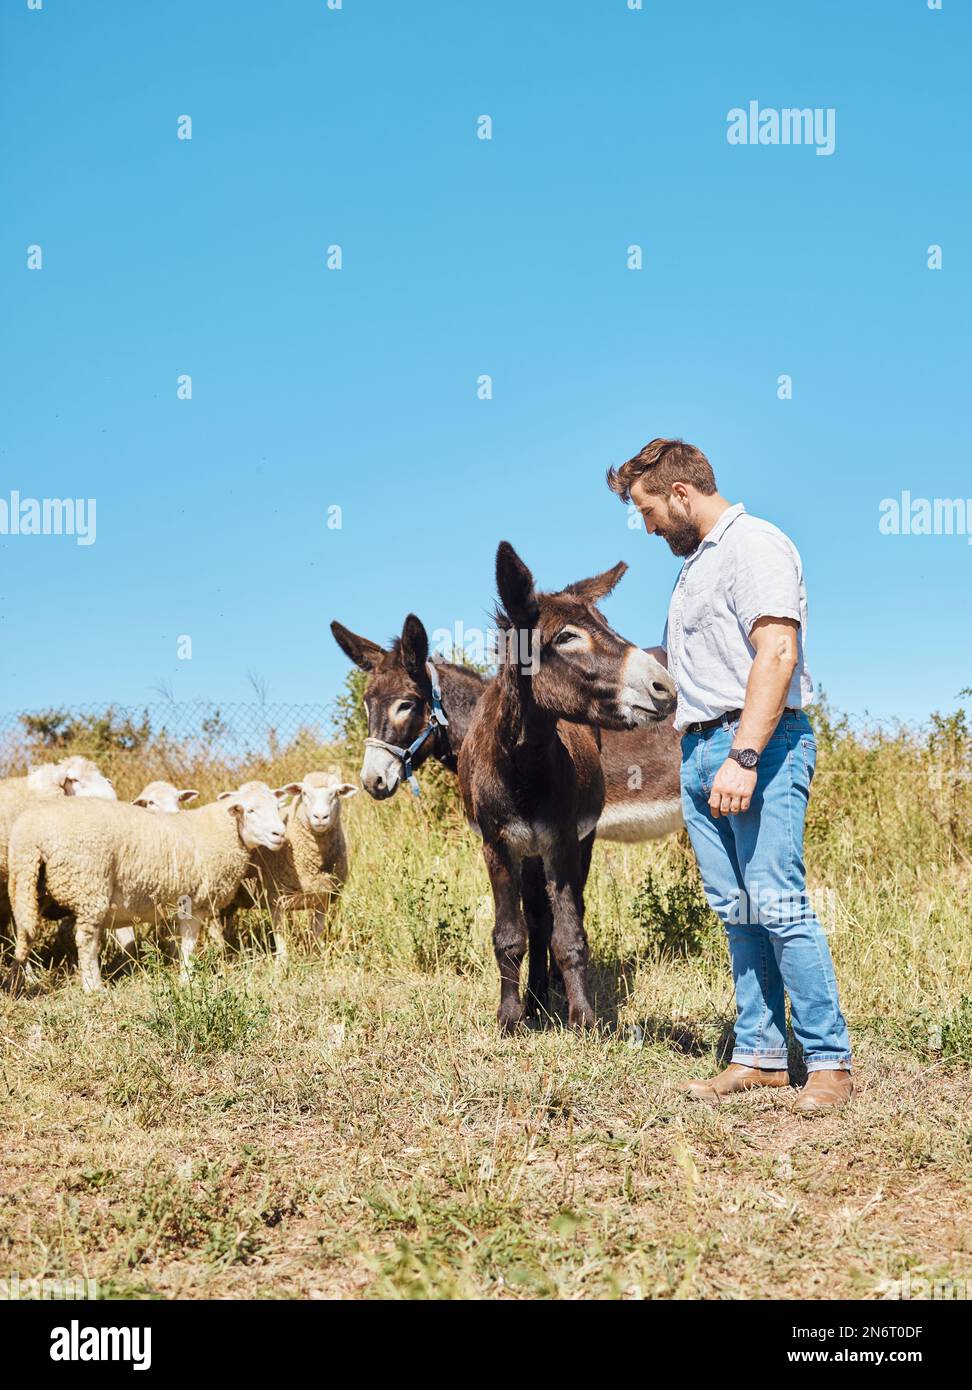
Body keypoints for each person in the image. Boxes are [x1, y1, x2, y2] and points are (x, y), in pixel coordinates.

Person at [607, 438, 852, 1115]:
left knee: (775, 899)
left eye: (649, 511)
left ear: (681, 494)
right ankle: (761, 1056)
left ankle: (829, 1061)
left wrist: (744, 756)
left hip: (758, 746)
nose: (649, 527)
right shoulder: (694, 569)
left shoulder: (756, 546)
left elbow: (777, 649)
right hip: (698, 750)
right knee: (738, 913)